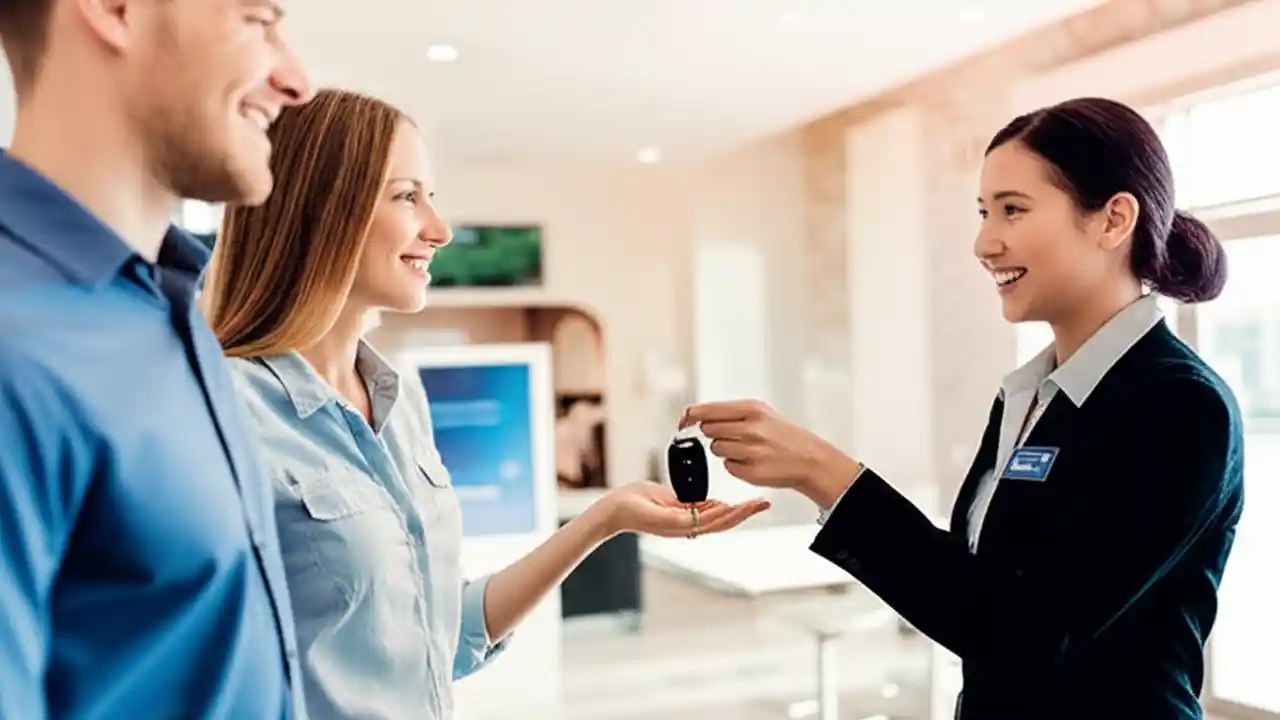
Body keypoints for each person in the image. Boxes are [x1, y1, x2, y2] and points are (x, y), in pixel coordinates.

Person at [200, 87, 770, 720]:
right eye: (407, 196)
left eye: (431, 198)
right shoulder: (226, 413)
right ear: (322, 210)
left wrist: (604, 519)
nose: (439, 231)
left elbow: (441, 639)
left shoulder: (400, 400)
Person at [681, 97, 1244, 719]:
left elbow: (1027, 633)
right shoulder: (1028, 397)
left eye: (1012, 210)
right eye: (983, 211)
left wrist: (823, 471)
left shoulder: (1182, 406)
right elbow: (970, 592)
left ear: (1113, 220)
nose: (984, 242)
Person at [0, 1, 313, 719]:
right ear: (114, 10)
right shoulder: (16, 346)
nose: (297, 81)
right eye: (258, 21)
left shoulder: (169, 310)